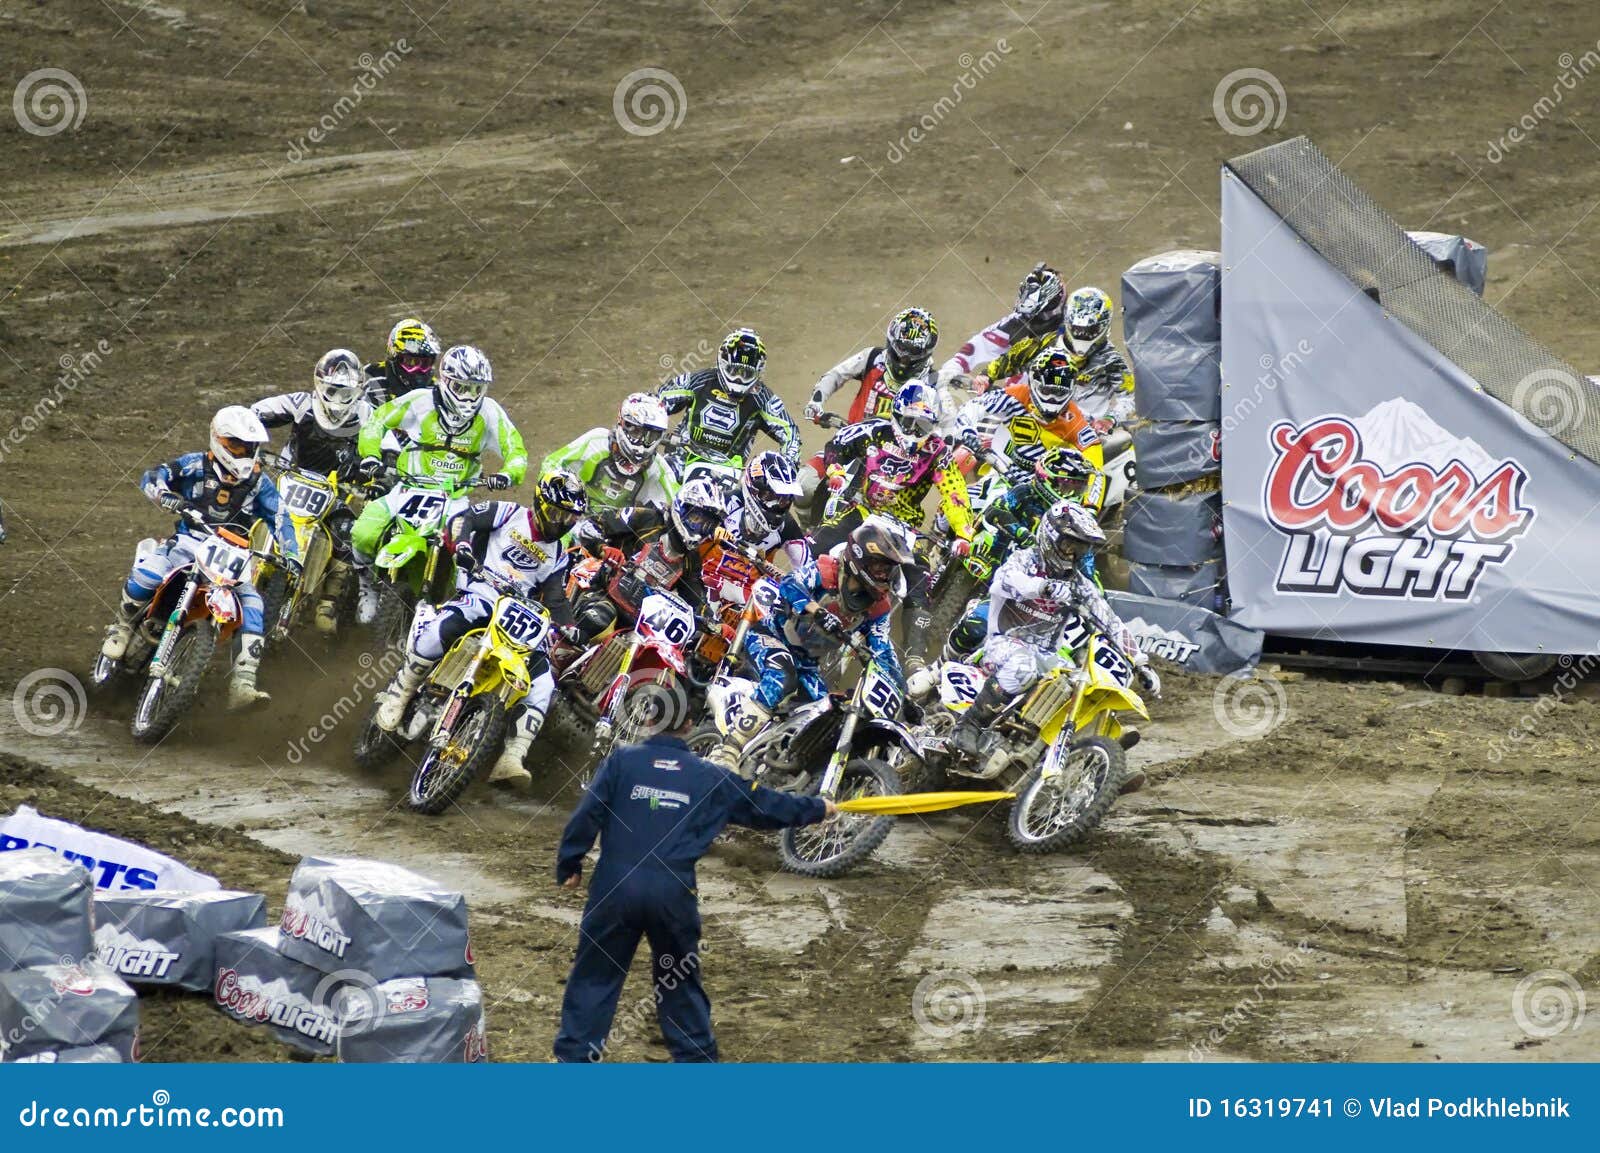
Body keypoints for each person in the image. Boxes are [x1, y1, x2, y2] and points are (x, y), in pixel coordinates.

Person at [553, 701, 837, 1063]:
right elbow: (765, 806)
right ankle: (696, 1063)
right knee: (678, 982)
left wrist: (570, 863)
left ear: (650, 720)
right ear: (689, 725)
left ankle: (574, 1061)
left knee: (595, 976)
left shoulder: (621, 762)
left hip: (614, 886)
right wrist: (818, 809)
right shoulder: (710, 776)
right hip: (673, 892)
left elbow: (587, 813)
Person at [371, 471, 587, 785]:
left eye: (570, 518)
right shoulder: (508, 513)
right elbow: (467, 518)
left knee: (543, 683)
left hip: (518, 614)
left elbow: (555, 597)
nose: (562, 523)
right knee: (444, 629)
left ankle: (512, 756)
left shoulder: (557, 554)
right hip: (481, 591)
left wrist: (569, 626)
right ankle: (399, 693)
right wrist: (463, 547)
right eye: (557, 513)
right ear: (540, 504)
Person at [99, 407, 300, 709]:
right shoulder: (194, 464)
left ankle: (243, 684)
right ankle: (123, 626)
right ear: (218, 439)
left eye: (249, 447)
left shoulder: (259, 482)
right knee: (149, 575)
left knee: (254, 605)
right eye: (236, 445)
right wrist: (164, 494)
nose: (243, 453)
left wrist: (292, 554)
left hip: (233, 556)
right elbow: (154, 475)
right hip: (188, 543)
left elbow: (280, 517)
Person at [950, 501, 1158, 789]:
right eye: (1070, 545)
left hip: (1047, 656)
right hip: (1002, 644)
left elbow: (1111, 622)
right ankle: (969, 725)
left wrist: (1140, 662)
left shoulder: (1078, 584)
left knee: (1080, 687)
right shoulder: (1025, 561)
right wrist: (1042, 587)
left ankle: (1094, 767)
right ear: (1050, 537)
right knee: (1022, 667)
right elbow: (1006, 580)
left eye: (1081, 548)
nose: (1074, 554)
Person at [708, 518, 913, 771]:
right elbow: (790, 583)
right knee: (782, 677)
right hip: (772, 636)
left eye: (890, 569)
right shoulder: (826, 571)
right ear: (860, 559)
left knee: (824, 716)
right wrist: (816, 610)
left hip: (808, 664)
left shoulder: (878, 609)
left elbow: (883, 651)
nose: (886, 575)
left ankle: (778, 767)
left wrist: (903, 695)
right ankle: (729, 748)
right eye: (881, 567)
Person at [349, 344, 527, 582]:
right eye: (461, 387)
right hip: (408, 488)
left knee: (467, 554)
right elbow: (377, 420)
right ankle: (365, 584)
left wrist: (508, 474)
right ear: (445, 381)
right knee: (363, 533)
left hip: (454, 498)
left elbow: (516, 450)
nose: (468, 396)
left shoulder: (490, 412)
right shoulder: (421, 400)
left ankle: (459, 604)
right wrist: (371, 455)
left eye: (476, 389)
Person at [251, 348, 374, 633]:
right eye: (333, 390)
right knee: (244, 511)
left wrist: (382, 469)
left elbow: (392, 444)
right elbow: (254, 413)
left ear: (358, 392)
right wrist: (249, 441)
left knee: (349, 532)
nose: (339, 400)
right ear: (321, 384)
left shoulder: (369, 416)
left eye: (346, 394)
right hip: (288, 479)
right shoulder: (300, 403)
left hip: (336, 492)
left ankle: (328, 600)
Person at [569, 478, 729, 642]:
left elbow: (696, 600)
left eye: (707, 525)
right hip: (603, 596)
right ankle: (560, 654)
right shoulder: (647, 518)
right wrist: (603, 549)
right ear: (682, 507)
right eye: (696, 519)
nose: (700, 528)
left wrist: (716, 624)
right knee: (599, 621)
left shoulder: (691, 559)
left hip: (644, 625)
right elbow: (592, 525)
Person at [656, 328, 801, 471]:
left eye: (746, 373)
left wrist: (788, 461)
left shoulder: (763, 398)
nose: (739, 378)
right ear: (723, 362)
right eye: (734, 370)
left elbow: (790, 433)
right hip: (680, 458)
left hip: (723, 474)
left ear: (758, 371)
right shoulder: (700, 380)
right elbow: (658, 400)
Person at [955, 347, 1106, 480]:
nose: (1052, 398)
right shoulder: (1015, 395)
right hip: (998, 473)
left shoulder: (1077, 420)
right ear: (1034, 382)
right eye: (1047, 390)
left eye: (1059, 392)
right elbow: (970, 407)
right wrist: (968, 432)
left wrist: (1089, 508)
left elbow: (1096, 470)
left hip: (1041, 489)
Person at [935, 263, 1065, 390]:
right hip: (1018, 400)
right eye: (1028, 315)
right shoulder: (1018, 321)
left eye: (1039, 315)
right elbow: (980, 344)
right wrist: (953, 369)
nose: (1031, 321)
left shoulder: (1075, 325)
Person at [540, 392, 676, 513]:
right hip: (573, 522)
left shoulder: (658, 469)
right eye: (637, 432)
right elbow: (552, 463)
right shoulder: (595, 441)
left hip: (618, 536)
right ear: (624, 423)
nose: (643, 442)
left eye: (652, 436)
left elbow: (678, 506)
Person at [804, 307, 940, 427]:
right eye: (901, 347)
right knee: (818, 457)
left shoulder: (932, 383)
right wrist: (816, 401)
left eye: (913, 352)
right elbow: (836, 375)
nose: (905, 358)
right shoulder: (872, 357)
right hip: (850, 444)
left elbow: (938, 427)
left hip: (893, 454)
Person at [725, 450, 809, 567]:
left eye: (784, 499)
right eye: (772, 496)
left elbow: (808, 567)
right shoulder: (725, 503)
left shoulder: (786, 525)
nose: (778, 505)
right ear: (754, 489)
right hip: (704, 578)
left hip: (749, 583)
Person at [364, 317, 441, 406]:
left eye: (425, 363)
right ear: (395, 357)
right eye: (411, 362)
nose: (418, 370)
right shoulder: (371, 376)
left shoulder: (435, 390)